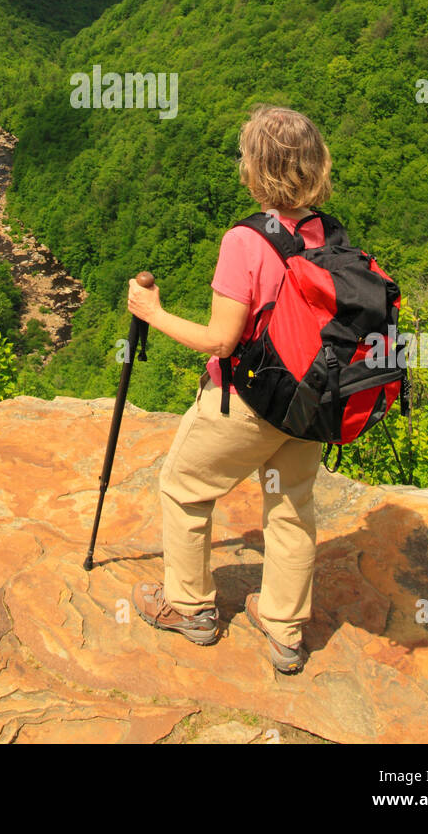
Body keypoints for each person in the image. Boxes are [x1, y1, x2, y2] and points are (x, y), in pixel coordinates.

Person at [126, 104, 333, 674]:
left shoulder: (245, 240)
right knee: (291, 508)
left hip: (249, 401)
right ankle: (285, 629)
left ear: (255, 167)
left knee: (184, 488)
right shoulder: (327, 232)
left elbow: (222, 341)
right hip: (308, 401)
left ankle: (190, 608)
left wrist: (152, 311)